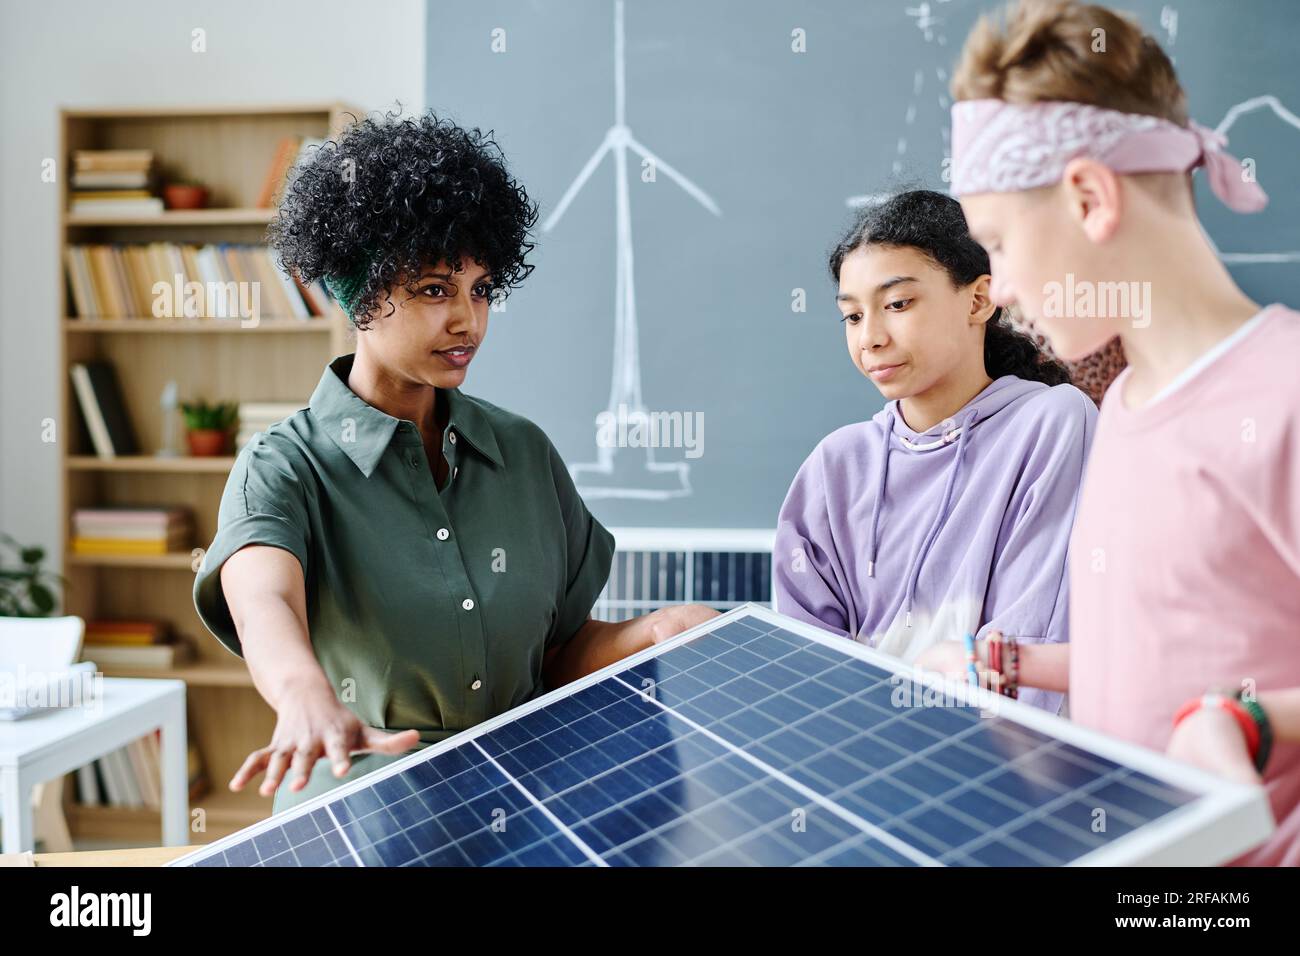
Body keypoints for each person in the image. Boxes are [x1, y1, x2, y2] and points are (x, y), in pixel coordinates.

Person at [193, 109, 715, 812]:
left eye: (482, 290)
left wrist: (651, 633)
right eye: (436, 289)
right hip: (366, 821)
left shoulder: (523, 453)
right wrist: (302, 695)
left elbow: (558, 655)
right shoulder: (284, 466)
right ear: (363, 291)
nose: (468, 319)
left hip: (526, 810)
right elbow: (263, 603)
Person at [927, 0, 1300, 865]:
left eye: (1000, 244)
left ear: (1090, 196)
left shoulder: (1282, 397)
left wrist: (1244, 722)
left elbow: (1223, 701)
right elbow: (1167, 653)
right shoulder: (1123, 405)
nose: (1002, 290)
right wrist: (1019, 666)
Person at [774, 189, 1097, 713]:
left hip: (992, 761)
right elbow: (807, 668)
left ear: (978, 300)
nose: (871, 337)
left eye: (898, 304)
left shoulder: (1051, 423)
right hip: (854, 758)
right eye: (852, 317)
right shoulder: (835, 465)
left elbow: (1029, 639)